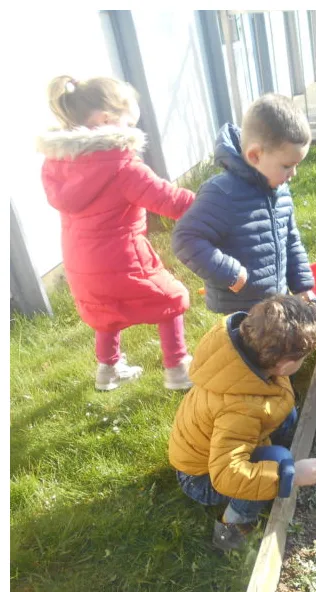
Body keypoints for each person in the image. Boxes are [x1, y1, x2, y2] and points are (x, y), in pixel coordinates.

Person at [37, 75, 196, 391]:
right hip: (121, 257)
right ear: (107, 120)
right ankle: (177, 368)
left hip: (81, 263)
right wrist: (209, 204)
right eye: (129, 122)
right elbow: (166, 199)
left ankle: (108, 371)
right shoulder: (121, 165)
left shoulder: (57, 164)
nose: (133, 130)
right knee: (172, 298)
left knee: (105, 309)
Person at [168, 293, 316, 552]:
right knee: (278, 459)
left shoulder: (244, 344)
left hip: (219, 445)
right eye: (303, 357)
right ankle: (233, 527)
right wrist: (289, 476)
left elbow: (285, 329)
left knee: (285, 412)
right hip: (204, 478)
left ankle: (286, 456)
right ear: (284, 366)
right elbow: (229, 475)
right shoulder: (239, 410)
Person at [172, 93, 314, 315]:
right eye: (287, 165)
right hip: (238, 309)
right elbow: (186, 239)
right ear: (255, 155)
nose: (293, 173)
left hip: (274, 304)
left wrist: (302, 286)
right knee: (244, 351)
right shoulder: (221, 193)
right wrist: (229, 272)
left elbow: (291, 241)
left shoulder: (280, 192)